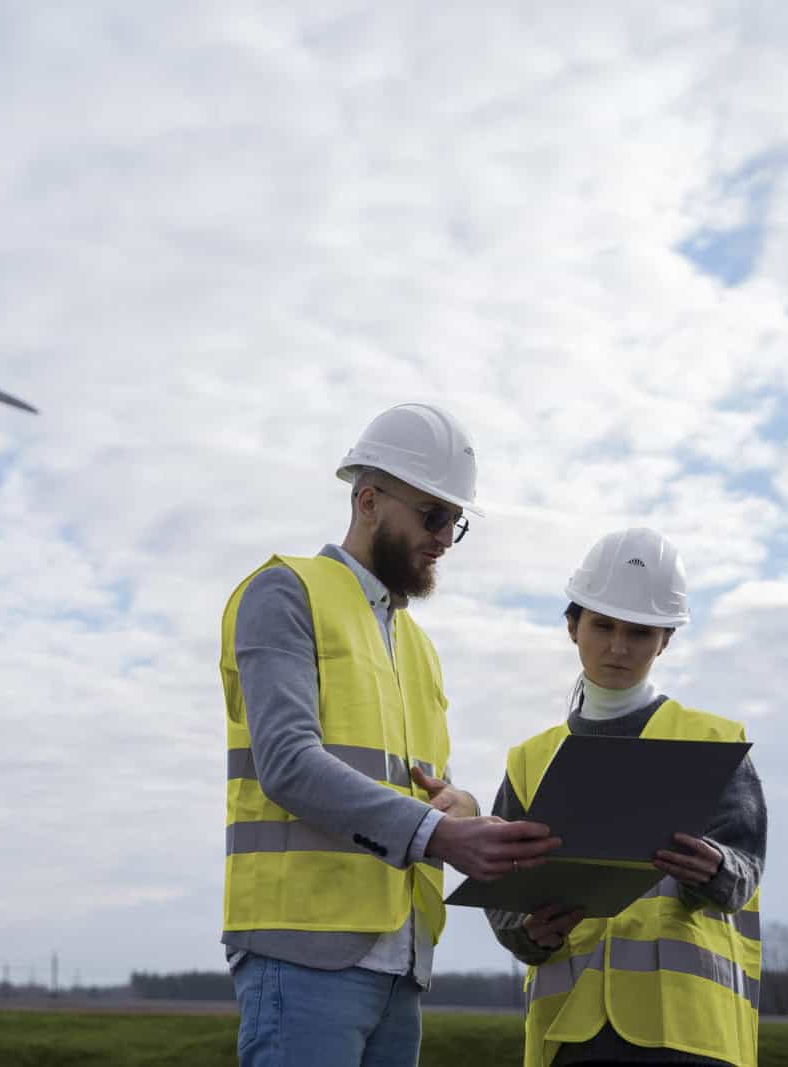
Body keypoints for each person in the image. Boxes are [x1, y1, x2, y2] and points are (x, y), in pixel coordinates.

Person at [220, 402, 563, 1066]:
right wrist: (441, 834)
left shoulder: (418, 647)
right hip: (303, 957)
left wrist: (458, 807)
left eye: (454, 523)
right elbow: (287, 763)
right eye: (433, 515)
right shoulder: (284, 593)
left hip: (402, 965)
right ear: (369, 500)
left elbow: (422, 789)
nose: (443, 537)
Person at [486, 528, 767, 1067]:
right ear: (573, 627)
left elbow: (745, 870)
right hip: (572, 1033)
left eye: (639, 632)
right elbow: (503, 901)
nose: (618, 647)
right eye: (603, 626)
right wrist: (529, 933)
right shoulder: (529, 759)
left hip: (688, 1031)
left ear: (665, 640)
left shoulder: (713, 742)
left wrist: (713, 869)